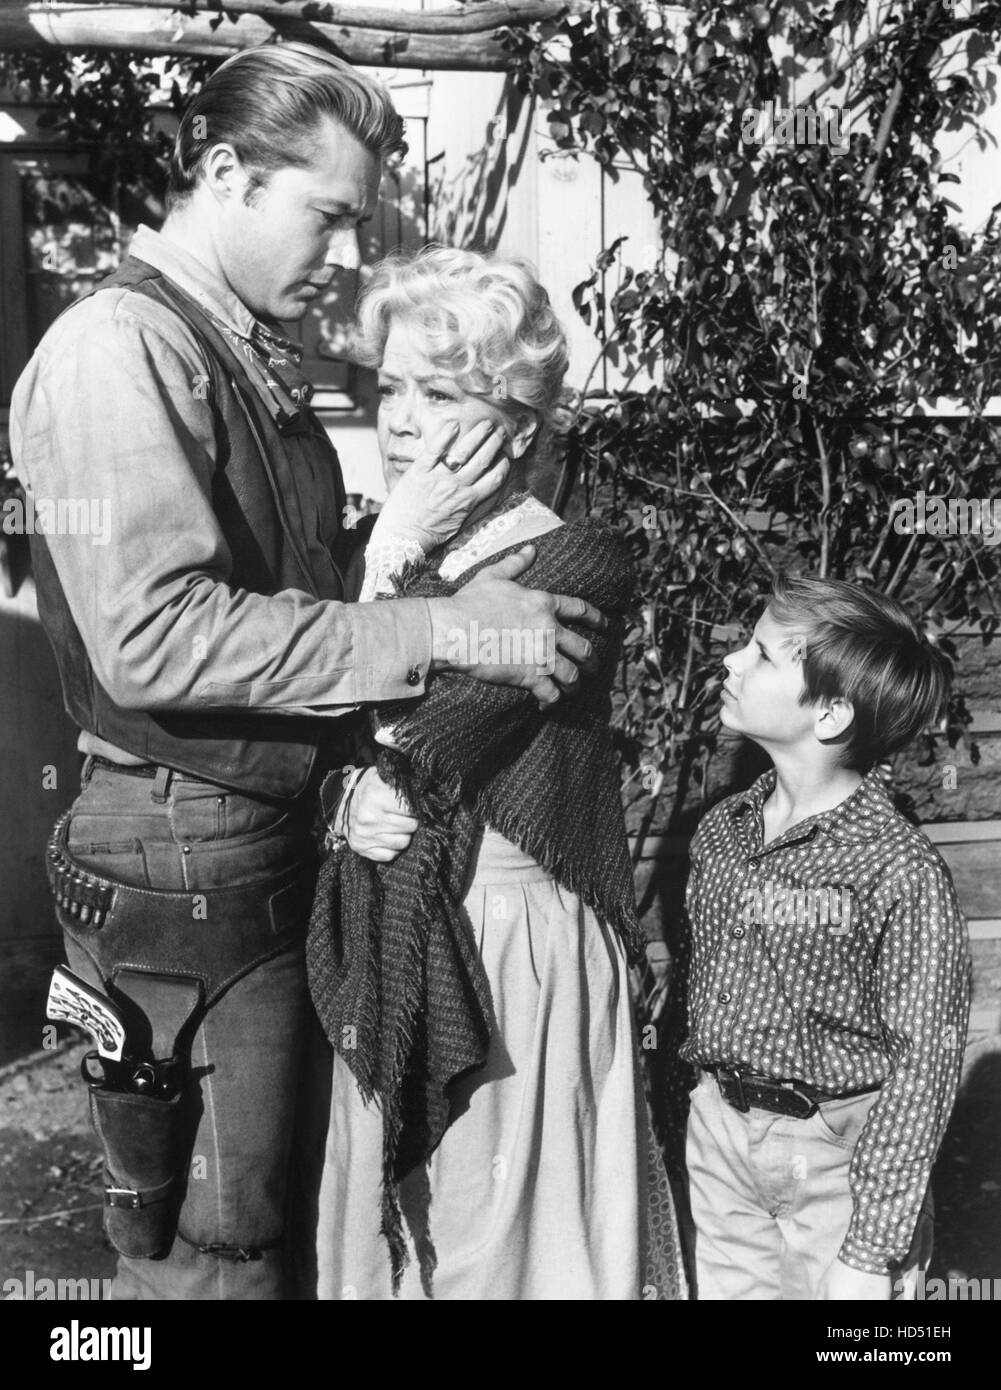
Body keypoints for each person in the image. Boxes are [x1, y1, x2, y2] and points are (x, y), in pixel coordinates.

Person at [8, 44, 606, 1302]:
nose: (343, 253)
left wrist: (388, 561)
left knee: (265, 1226)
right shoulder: (118, 350)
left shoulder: (225, 349)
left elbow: (287, 590)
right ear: (225, 173)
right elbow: (158, 636)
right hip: (187, 841)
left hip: (255, 830)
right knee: (208, 1248)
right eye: (327, 213)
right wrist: (434, 628)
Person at [306, 247, 687, 1301]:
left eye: (438, 392)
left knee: (496, 1250)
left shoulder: (571, 562)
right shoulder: (383, 555)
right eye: (389, 387)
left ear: (517, 424)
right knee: (404, 1241)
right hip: (399, 927)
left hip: (510, 948)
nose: (398, 419)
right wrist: (343, 799)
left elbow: (415, 736)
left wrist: (385, 568)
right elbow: (330, 748)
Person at [680, 574, 972, 1300]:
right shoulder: (722, 833)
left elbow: (923, 1064)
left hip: (841, 1156)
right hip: (721, 1133)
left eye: (763, 656)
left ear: (833, 712)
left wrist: (871, 1250)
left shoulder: (898, 870)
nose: (730, 663)